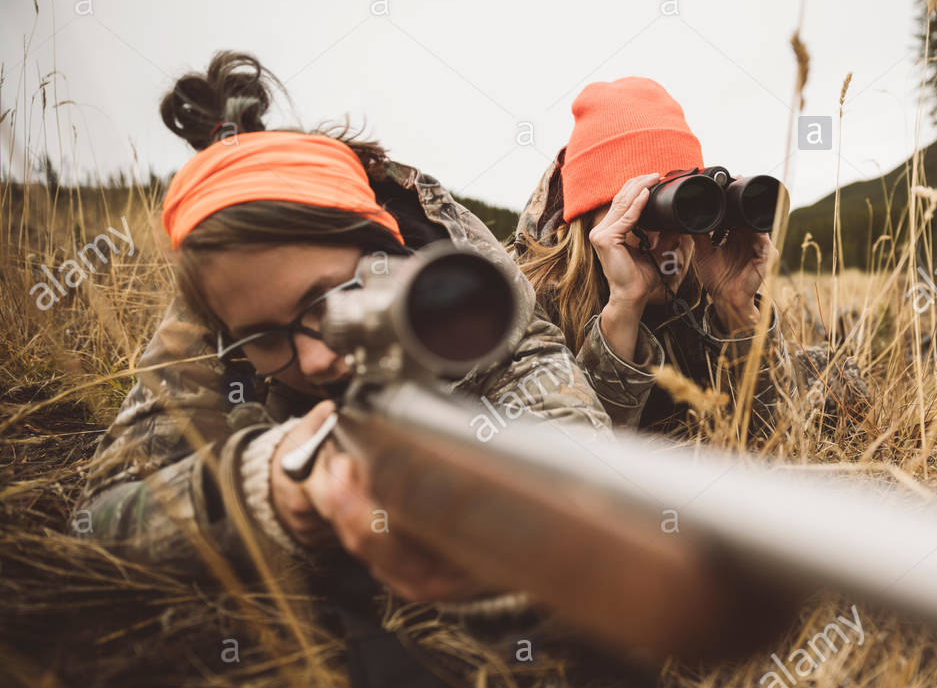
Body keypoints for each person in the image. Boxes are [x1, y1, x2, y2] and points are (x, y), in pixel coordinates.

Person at [74, 52, 608, 602]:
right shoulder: (207, 316)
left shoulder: (469, 288)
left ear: (390, 258)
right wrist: (265, 487)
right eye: (263, 339)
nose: (316, 361)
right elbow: (100, 520)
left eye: (331, 302)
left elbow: (574, 443)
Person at [512, 77, 785, 435]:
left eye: (680, 208)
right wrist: (623, 308)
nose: (663, 241)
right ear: (588, 221)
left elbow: (774, 442)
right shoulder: (524, 303)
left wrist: (736, 308)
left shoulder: (699, 288)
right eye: (641, 216)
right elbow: (579, 458)